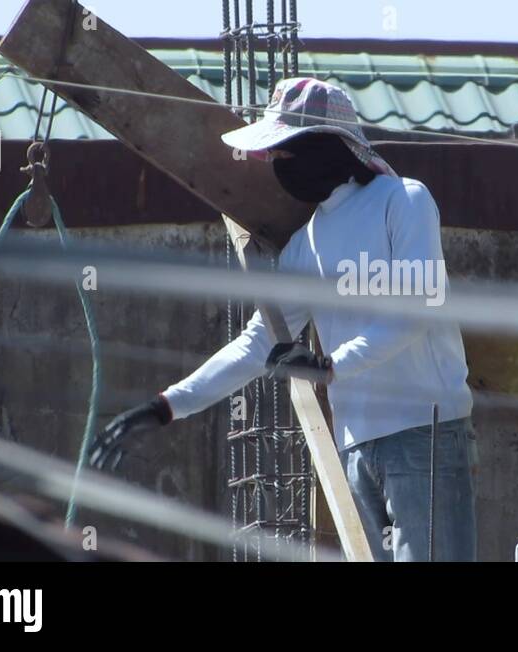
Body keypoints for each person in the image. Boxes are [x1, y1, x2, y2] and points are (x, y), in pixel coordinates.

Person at [89, 78, 477, 562]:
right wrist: (166, 405)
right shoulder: (305, 245)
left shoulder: (404, 201)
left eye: (283, 153)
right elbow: (257, 345)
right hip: (357, 447)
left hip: (425, 434)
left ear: (325, 147)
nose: (274, 165)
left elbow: (417, 309)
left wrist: (331, 365)